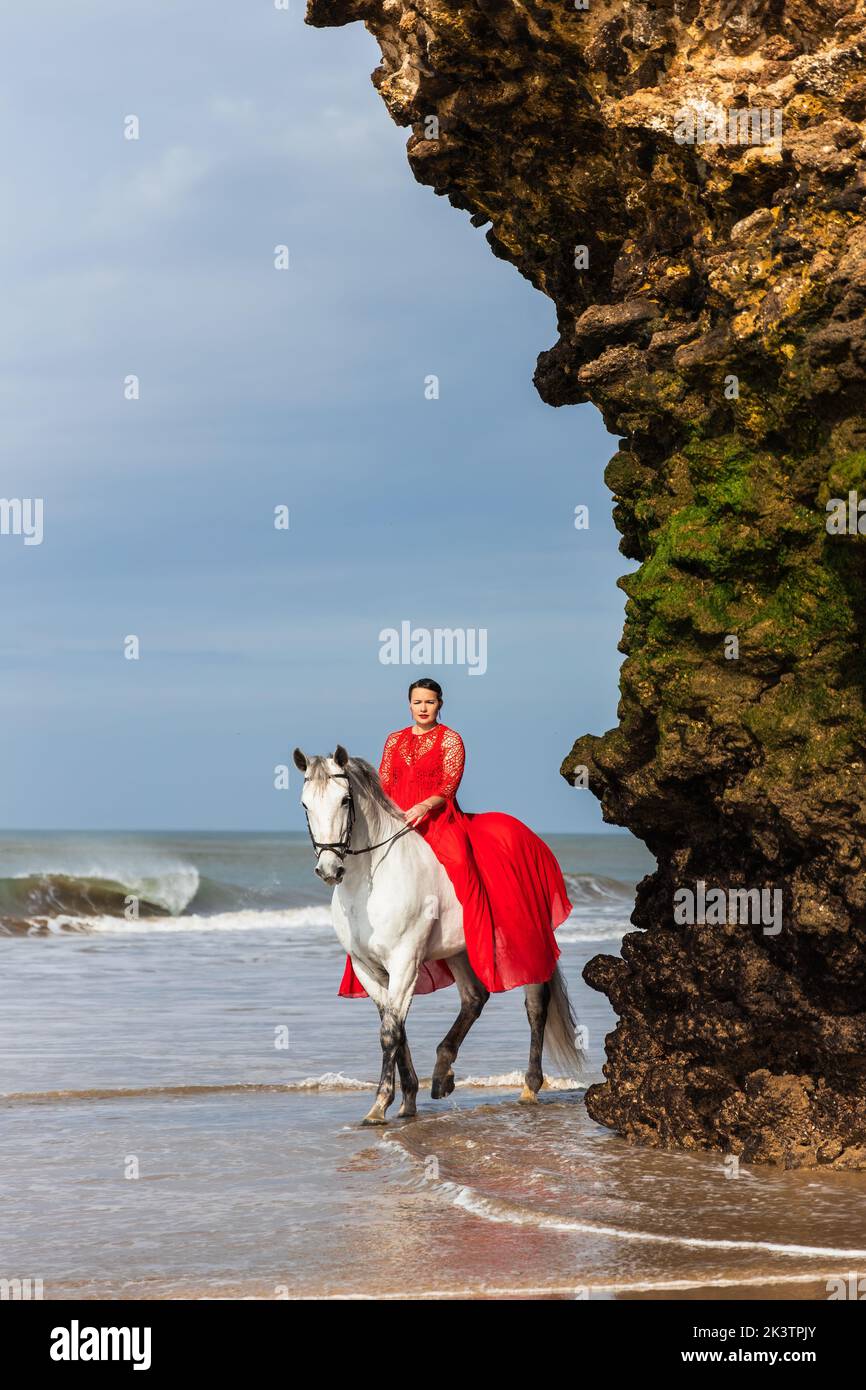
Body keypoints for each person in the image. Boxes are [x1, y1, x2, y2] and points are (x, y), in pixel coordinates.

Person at [338, 677, 573, 998]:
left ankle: (476, 936)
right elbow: (386, 784)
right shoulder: (394, 740)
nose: (423, 708)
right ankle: (362, 944)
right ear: (409, 705)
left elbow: (449, 786)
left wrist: (424, 805)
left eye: (430, 702)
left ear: (440, 704)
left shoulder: (451, 740)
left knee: (461, 861)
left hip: (439, 818)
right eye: (418, 702)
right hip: (398, 819)